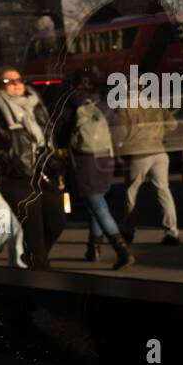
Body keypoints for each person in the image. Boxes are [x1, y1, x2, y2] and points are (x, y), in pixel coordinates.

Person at [0, 67, 64, 269]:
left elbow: (47, 136)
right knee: (33, 216)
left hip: (41, 172)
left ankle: (34, 258)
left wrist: (54, 161)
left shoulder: (35, 104)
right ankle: (39, 268)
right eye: (8, 81)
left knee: (57, 219)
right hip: (12, 175)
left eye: (19, 79)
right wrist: (8, 157)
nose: (16, 84)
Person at [54, 68, 135, 270]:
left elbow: (59, 134)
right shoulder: (102, 103)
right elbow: (119, 130)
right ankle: (93, 248)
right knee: (97, 202)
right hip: (105, 158)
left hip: (84, 160)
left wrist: (61, 155)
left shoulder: (69, 104)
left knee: (97, 204)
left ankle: (122, 251)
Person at [116, 86, 179, 245]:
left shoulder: (125, 106)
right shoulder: (155, 104)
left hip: (139, 153)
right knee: (164, 191)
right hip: (159, 151)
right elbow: (173, 124)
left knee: (131, 192)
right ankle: (172, 232)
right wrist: (159, 132)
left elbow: (120, 131)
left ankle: (128, 231)